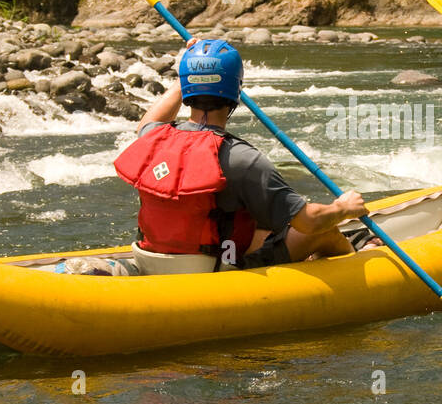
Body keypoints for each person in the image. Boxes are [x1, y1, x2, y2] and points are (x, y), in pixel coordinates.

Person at [113, 38, 370, 272]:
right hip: (215, 270)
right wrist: (343, 208)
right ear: (235, 89)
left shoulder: (153, 139)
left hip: (153, 258)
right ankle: (357, 271)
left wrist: (192, 72)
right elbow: (307, 222)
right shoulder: (242, 158)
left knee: (262, 224)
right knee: (324, 232)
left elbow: (148, 122)